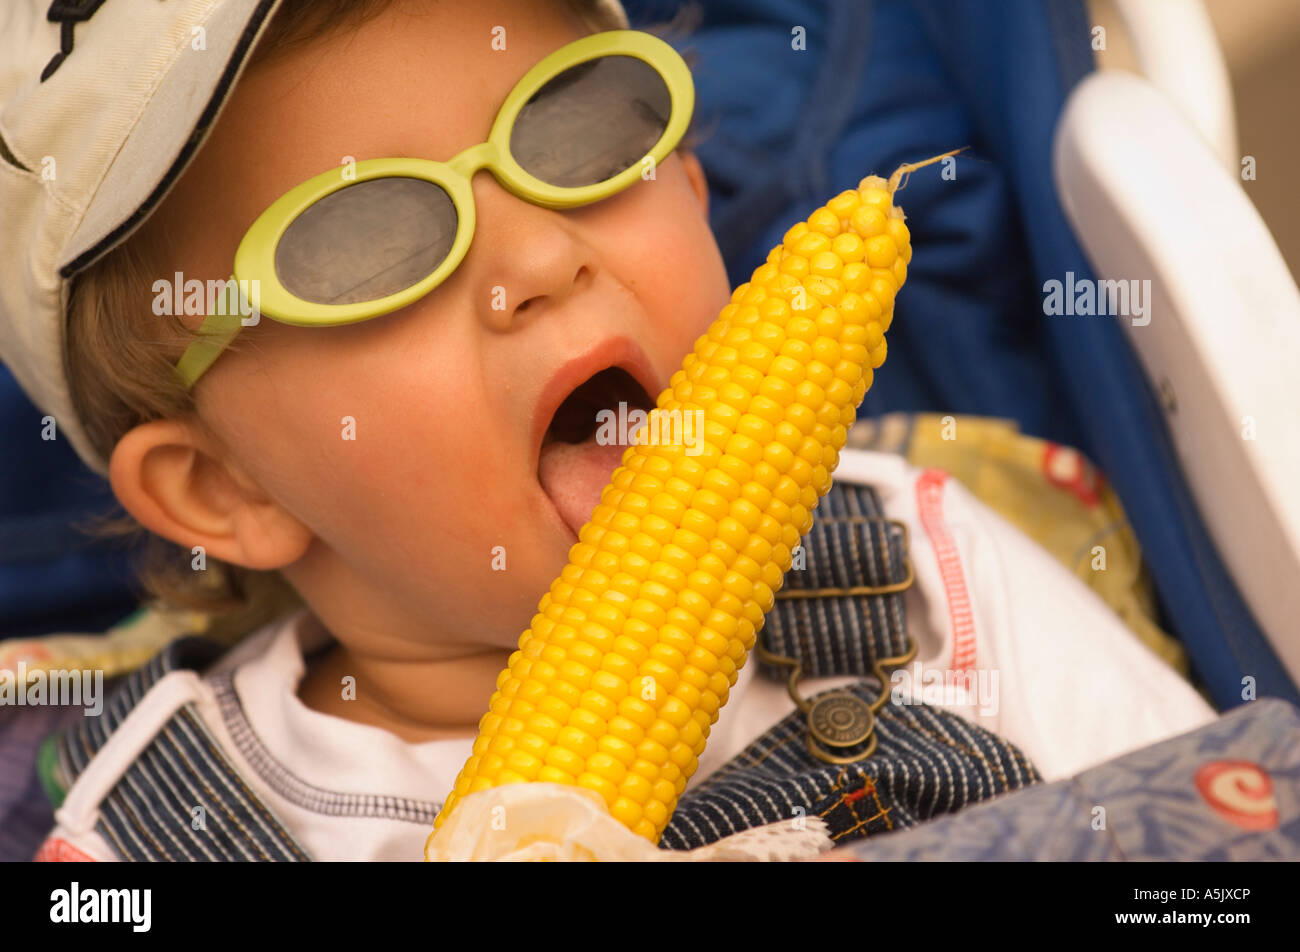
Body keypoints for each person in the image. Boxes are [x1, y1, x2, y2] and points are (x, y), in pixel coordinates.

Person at [0, 0, 1212, 861]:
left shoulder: (935, 583)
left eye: (573, 130)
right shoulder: (145, 836)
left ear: (689, 184)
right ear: (225, 489)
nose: (535, 255)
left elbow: (1223, 833)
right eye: (362, 239)